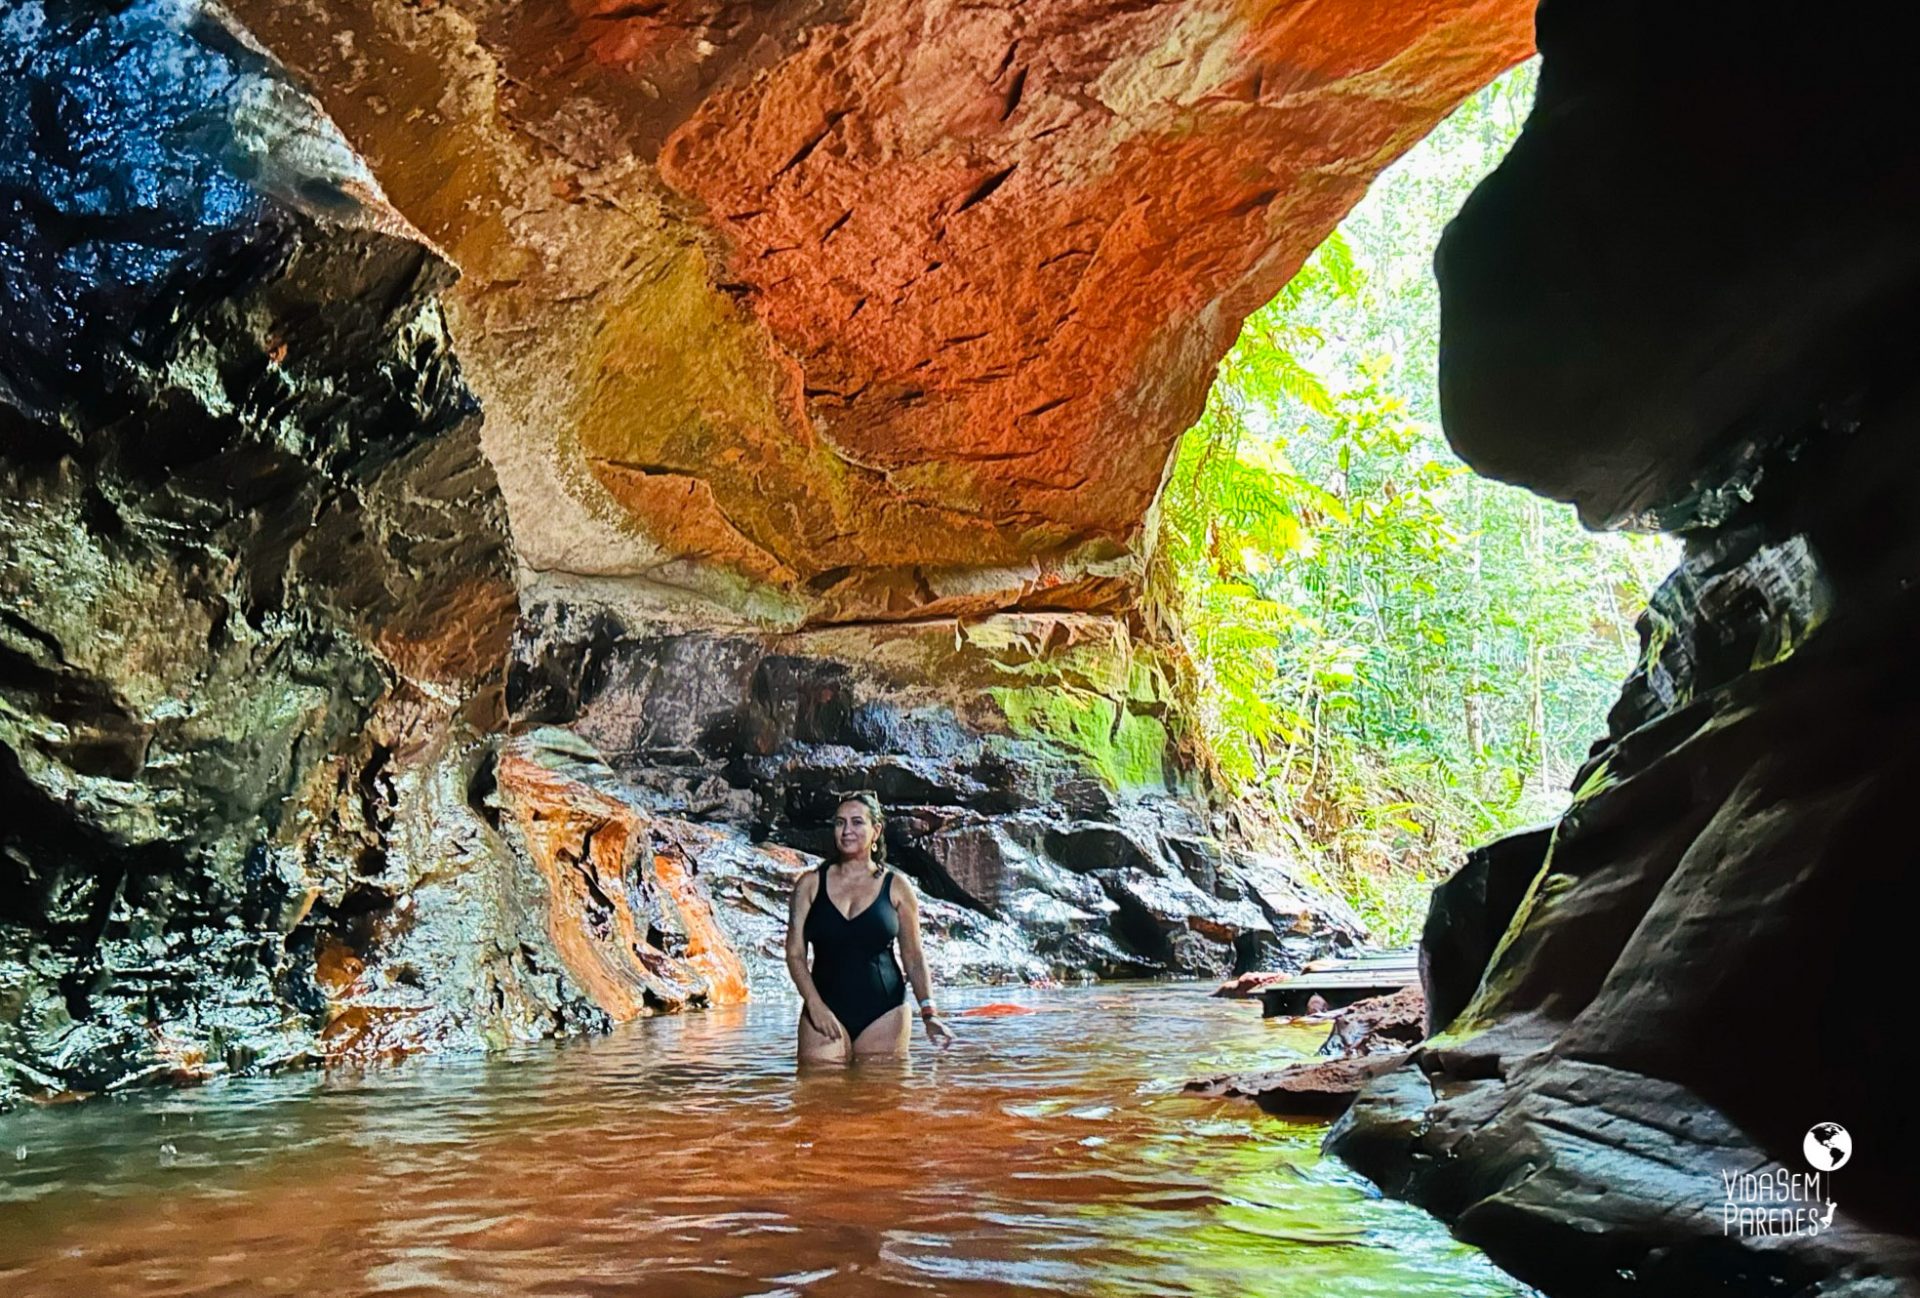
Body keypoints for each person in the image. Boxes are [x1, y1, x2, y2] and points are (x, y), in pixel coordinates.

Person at [785, 791, 955, 1062]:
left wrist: (929, 1013)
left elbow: (913, 956)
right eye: (840, 823)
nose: (847, 830)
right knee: (815, 1097)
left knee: (880, 1100)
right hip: (823, 1007)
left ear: (876, 831)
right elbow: (794, 954)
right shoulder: (810, 884)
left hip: (885, 1013)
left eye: (856, 822)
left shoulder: (897, 887)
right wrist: (815, 1006)